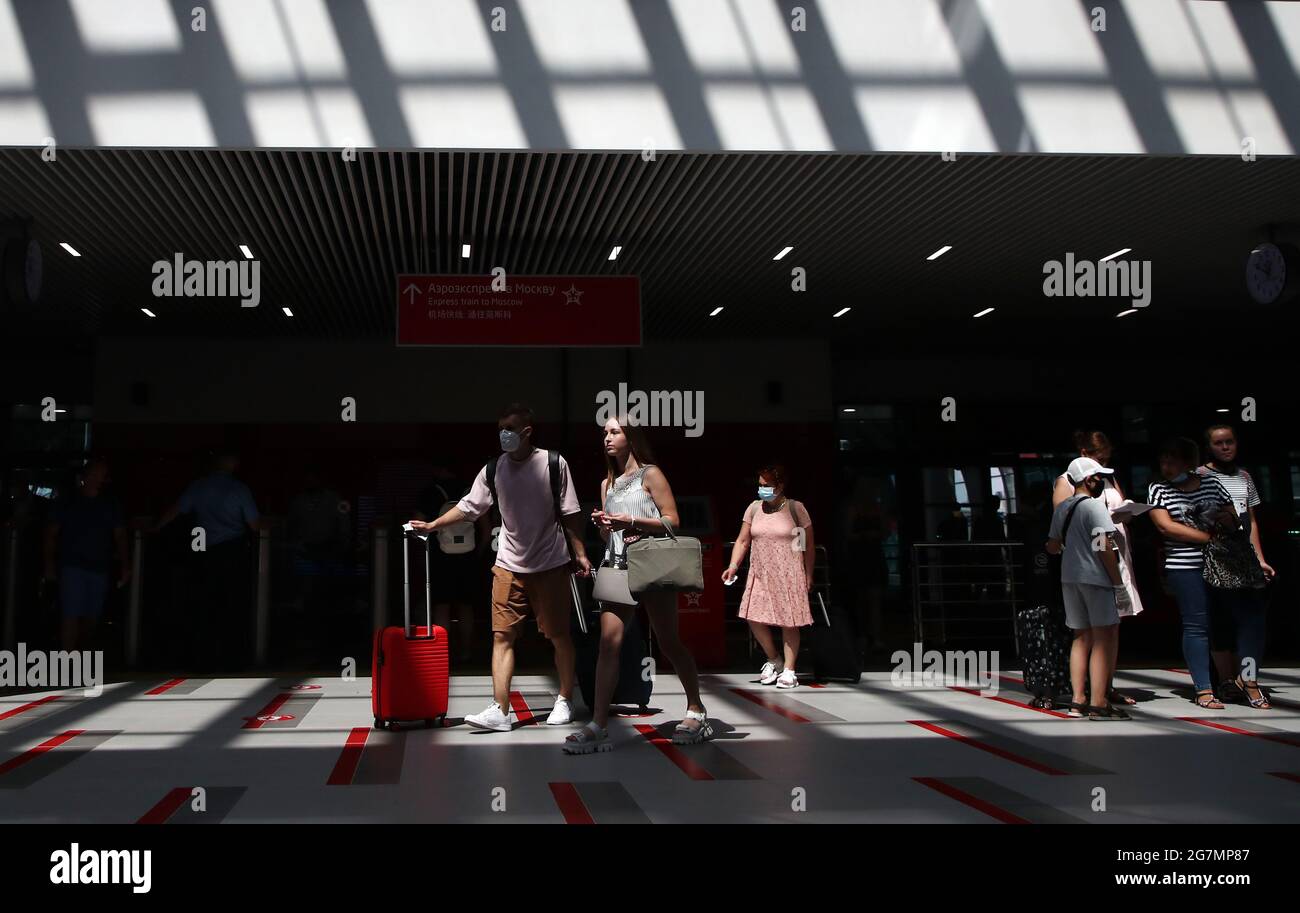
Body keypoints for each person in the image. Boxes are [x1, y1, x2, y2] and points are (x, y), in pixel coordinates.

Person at [409, 404, 592, 732]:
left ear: (527, 431)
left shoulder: (553, 463)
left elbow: (570, 512)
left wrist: (579, 553)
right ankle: (500, 709)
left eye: (510, 427)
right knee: (501, 636)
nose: (503, 434)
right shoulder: (494, 469)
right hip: (508, 564)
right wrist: (433, 524)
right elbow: (468, 507)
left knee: (558, 635)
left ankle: (565, 698)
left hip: (550, 563)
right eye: (500, 429)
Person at [562, 417, 711, 753]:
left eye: (615, 432)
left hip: (652, 566)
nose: (608, 438)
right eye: (604, 433)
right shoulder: (607, 484)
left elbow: (672, 520)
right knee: (608, 644)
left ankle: (696, 708)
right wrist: (605, 527)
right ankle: (599, 724)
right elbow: (611, 531)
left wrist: (629, 520)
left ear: (632, 438)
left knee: (668, 640)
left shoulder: (651, 474)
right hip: (617, 567)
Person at [1052, 430, 1143, 705]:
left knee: (1086, 634)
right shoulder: (1089, 503)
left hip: (1079, 570)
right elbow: (1100, 543)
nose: (1100, 469)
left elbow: (1053, 542)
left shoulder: (1097, 488)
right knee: (1103, 633)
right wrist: (1116, 582)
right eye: (1097, 461)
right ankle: (1098, 698)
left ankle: (1084, 696)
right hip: (1099, 567)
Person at [1147, 437, 1237, 710]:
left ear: (1188, 462)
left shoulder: (1211, 483)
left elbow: (1232, 514)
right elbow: (1165, 526)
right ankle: (1203, 688)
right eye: (1163, 461)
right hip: (1184, 564)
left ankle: (1230, 681)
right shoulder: (1158, 488)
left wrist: (1227, 521)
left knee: (1224, 622)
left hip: (1221, 563)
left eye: (1172, 461)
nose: (1166, 467)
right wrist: (1205, 538)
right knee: (1196, 624)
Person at [154, 447, 261, 670]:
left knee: (204, 603)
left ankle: (202, 655)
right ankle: (231, 656)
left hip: (203, 550)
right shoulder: (240, 489)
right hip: (233, 551)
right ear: (234, 465)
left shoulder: (198, 486)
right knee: (232, 604)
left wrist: (156, 528)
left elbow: (177, 510)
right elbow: (254, 524)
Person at [1200, 424, 1275, 709]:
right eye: (1219, 443)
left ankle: (1249, 679)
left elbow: (1252, 520)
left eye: (1229, 442)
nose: (1225, 447)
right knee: (1220, 620)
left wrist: (1260, 558)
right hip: (1216, 554)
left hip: (1244, 556)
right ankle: (1227, 681)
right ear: (1209, 446)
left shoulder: (1244, 476)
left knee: (1253, 619)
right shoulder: (1202, 476)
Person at [722, 464, 814, 690]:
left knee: (788, 620)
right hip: (760, 572)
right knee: (753, 615)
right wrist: (733, 565)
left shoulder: (796, 508)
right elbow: (743, 540)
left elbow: (807, 545)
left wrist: (808, 574)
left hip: (788, 572)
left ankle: (790, 670)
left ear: (780, 486)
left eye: (767, 485)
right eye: (760, 485)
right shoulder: (754, 508)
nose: (761, 489)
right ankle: (774, 658)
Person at [43, 458, 129, 651]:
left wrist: (125, 564)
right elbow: (51, 533)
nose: (103, 479)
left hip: (99, 566)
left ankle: (80, 652)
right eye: (99, 475)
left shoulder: (109, 502)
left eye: (104, 475)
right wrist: (49, 563)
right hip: (72, 564)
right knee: (70, 615)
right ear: (88, 476)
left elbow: (120, 535)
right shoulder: (68, 501)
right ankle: (67, 659)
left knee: (91, 617)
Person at [413, 460, 482, 661]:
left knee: (441, 605)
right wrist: (477, 551)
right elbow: (485, 527)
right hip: (468, 556)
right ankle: (466, 651)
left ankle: (443, 653)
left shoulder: (430, 492)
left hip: (440, 556)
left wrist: (424, 551)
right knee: (466, 606)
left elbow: (418, 524)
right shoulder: (471, 491)